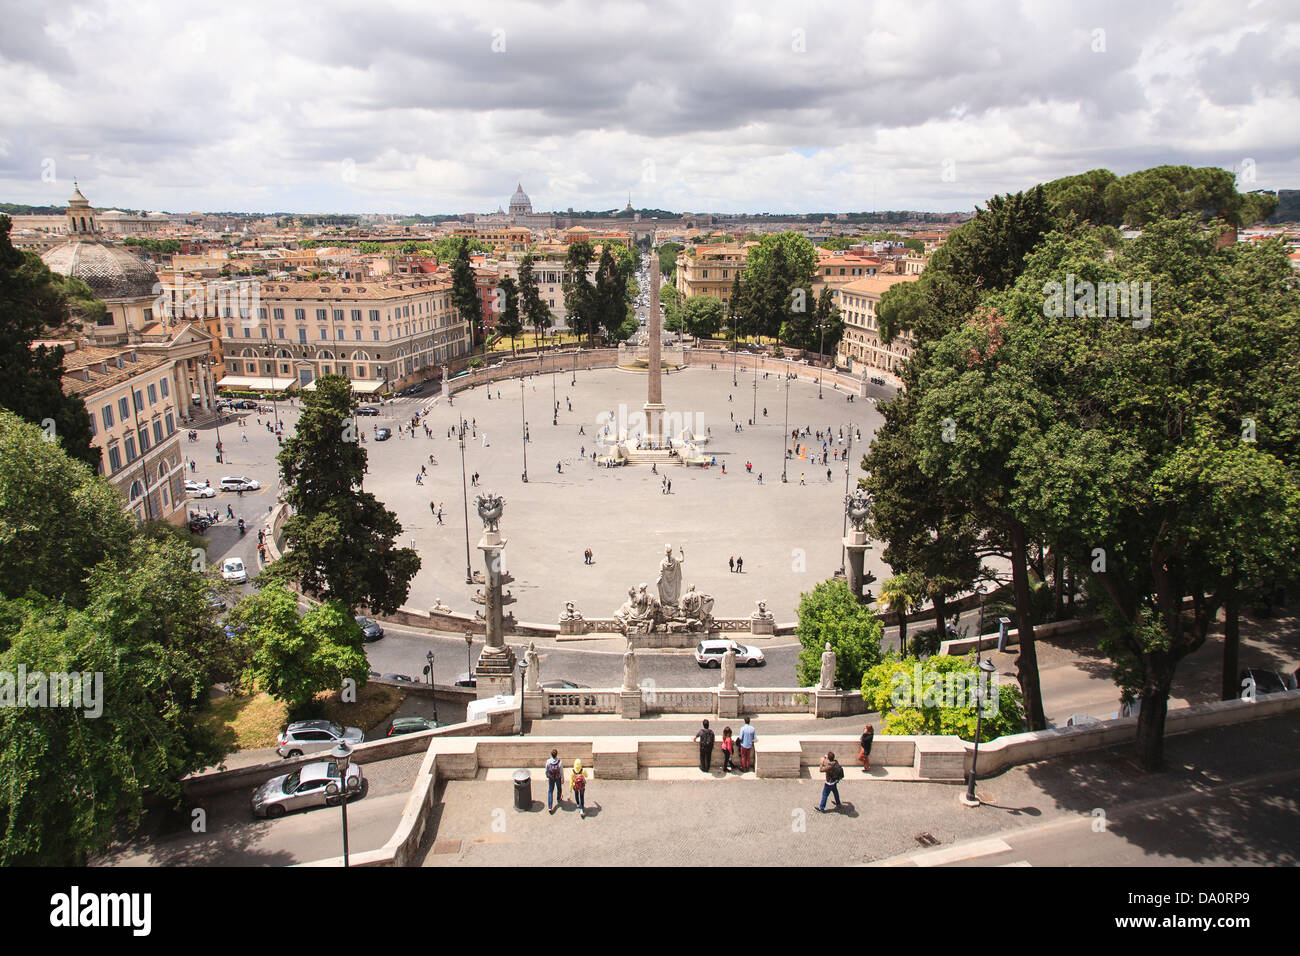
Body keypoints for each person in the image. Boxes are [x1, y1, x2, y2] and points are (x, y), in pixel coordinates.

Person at [545, 749, 564, 814]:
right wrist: (562, 778)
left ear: (551, 754)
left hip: (551, 778)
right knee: (559, 788)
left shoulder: (548, 761)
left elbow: (546, 769)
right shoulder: (560, 762)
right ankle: (558, 798)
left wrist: (547, 775)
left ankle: (550, 807)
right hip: (557, 777)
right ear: (556, 755)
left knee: (550, 791)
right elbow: (561, 771)